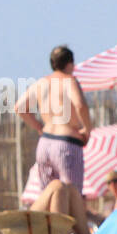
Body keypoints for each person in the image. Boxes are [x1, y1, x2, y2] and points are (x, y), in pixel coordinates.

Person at [13, 45, 93, 191]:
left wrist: (39, 127)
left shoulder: (41, 83)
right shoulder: (69, 81)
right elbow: (80, 105)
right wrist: (87, 129)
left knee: (49, 197)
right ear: (70, 63)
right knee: (71, 197)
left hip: (44, 143)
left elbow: (19, 107)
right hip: (66, 142)